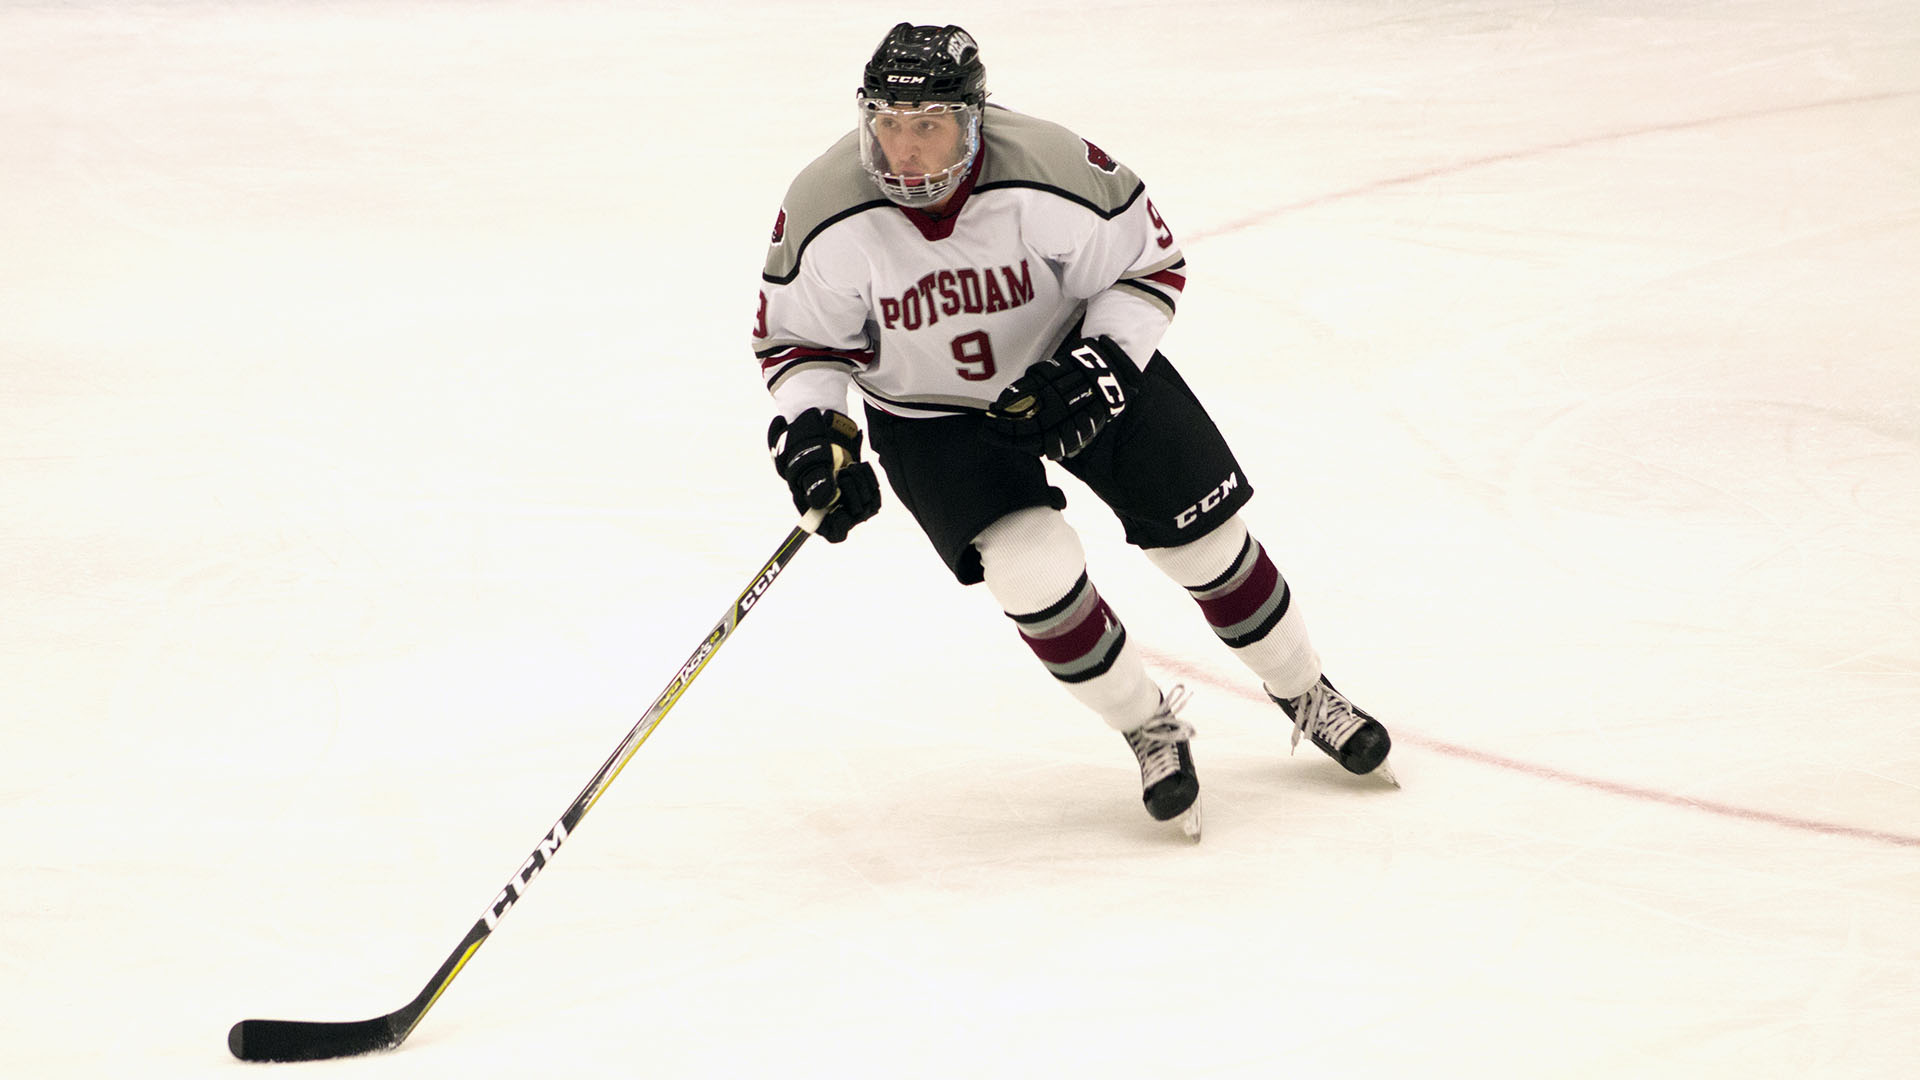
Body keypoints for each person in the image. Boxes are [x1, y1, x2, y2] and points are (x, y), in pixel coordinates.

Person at [752, 22, 1393, 838]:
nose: (904, 149)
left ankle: (1305, 689)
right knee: (1030, 570)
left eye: (927, 125)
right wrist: (816, 429)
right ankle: (1146, 727)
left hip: (1072, 371)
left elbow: (1145, 267)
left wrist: (1106, 363)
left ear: (972, 117)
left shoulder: (1050, 169)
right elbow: (800, 341)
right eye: (887, 122)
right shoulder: (823, 205)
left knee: (1201, 544)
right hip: (930, 416)